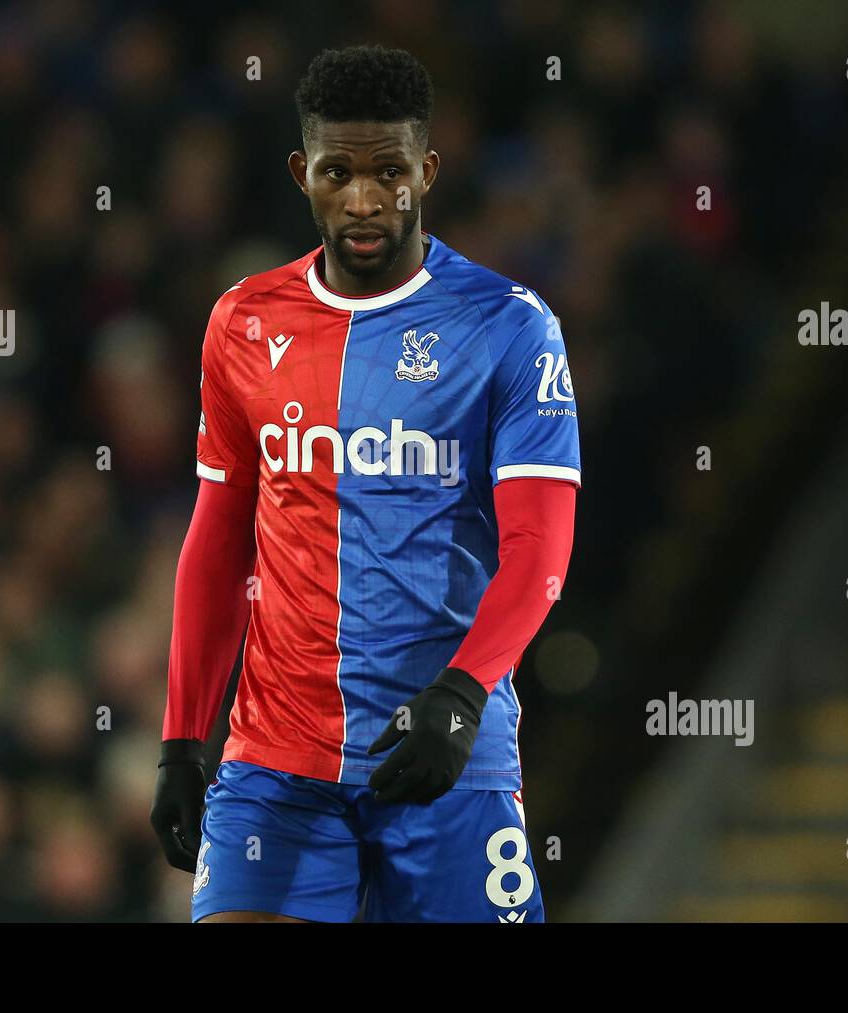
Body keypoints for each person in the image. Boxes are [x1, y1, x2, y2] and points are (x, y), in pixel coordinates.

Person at [151, 44, 580, 923]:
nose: (363, 198)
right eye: (337, 171)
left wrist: (462, 696)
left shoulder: (509, 326)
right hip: (277, 760)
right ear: (300, 171)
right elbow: (218, 539)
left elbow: (541, 548)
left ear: (425, 169)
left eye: (388, 171)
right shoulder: (242, 323)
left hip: (446, 754)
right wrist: (183, 739)